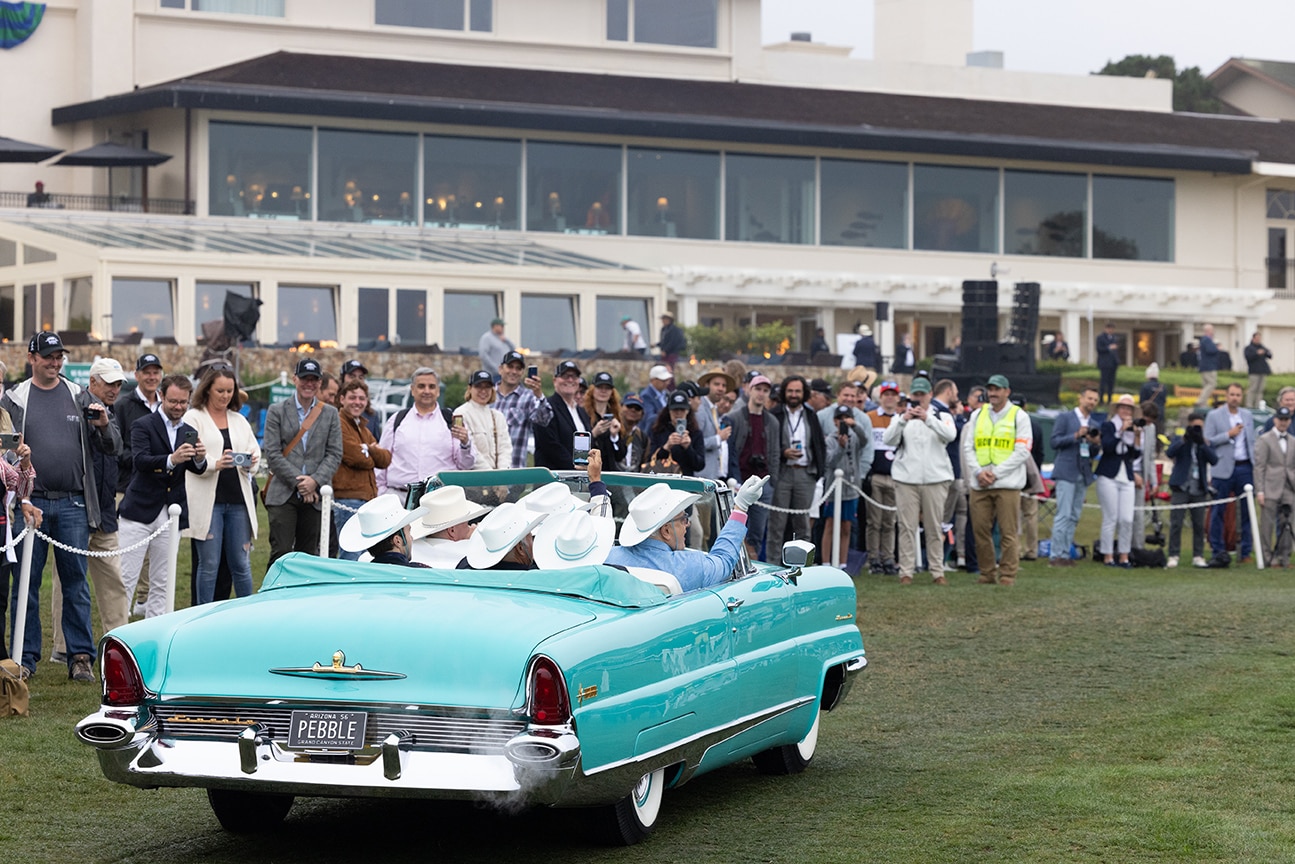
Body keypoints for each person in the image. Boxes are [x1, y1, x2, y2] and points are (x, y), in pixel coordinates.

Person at [3, 331, 117, 681]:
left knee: (75, 584)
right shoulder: (14, 398)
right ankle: (25, 656)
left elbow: (112, 447)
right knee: (26, 585)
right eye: (48, 357)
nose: (55, 363)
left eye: (59, 357)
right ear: (32, 358)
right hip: (28, 504)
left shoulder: (79, 395)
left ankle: (80, 656)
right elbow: (4, 452)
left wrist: (104, 426)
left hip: (72, 503)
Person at [49, 358, 127, 663]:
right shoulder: (72, 408)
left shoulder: (110, 413)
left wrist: (105, 424)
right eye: (109, 382)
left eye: (118, 383)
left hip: (106, 512)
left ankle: (122, 645)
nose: (114, 389)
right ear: (92, 382)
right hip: (75, 510)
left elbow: (116, 448)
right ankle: (62, 646)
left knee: (113, 582)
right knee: (66, 581)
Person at [118, 374, 207, 618]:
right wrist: (171, 459)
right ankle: (115, 634)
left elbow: (195, 468)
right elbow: (140, 461)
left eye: (183, 402)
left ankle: (154, 633)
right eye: (173, 401)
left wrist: (200, 458)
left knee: (163, 580)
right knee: (126, 578)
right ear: (162, 397)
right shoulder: (143, 425)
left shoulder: (189, 430)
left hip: (172, 512)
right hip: (138, 510)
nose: (178, 407)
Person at [605, 475, 768, 592]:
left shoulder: (608, 557)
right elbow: (724, 560)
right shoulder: (689, 565)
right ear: (666, 531)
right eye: (683, 519)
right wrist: (741, 506)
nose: (688, 523)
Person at [182, 367, 260, 602]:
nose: (225, 396)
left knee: (241, 563)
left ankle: (249, 612)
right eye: (220, 391)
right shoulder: (192, 417)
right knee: (209, 565)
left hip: (238, 501)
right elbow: (187, 455)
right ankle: (201, 614)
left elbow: (254, 450)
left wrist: (250, 463)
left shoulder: (240, 420)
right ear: (207, 390)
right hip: (208, 502)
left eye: (229, 391)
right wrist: (215, 463)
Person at [263, 358, 344, 569]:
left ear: (319, 382)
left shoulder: (330, 414)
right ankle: (272, 598)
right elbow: (272, 453)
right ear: (294, 379)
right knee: (280, 552)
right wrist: (301, 482)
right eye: (304, 378)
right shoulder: (277, 411)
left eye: (314, 379)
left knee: (309, 556)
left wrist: (314, 481)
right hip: (283, 492)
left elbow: (335, 453)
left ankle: (301, 600)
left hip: (316, 495)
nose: (309, 384)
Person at [961, 374, 1032, 586]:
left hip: (1007, 484)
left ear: (1007, 392)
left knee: (1008, 532)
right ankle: (987, 572)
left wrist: (996, 473)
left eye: (997, 389)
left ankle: (1008, 574)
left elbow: (1022, 451)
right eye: (990, 389)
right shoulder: (977, 414)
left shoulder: (1019, 416)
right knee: (980, 531)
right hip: (980, 483)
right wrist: (978, 472)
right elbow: (968, 447)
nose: (992, 393)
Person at [885, 377, 956, 584]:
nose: (918, 398)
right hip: (906, 478)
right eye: (915, 395)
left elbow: (950, 435)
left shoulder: (941, 415)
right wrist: (903, 420)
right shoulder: (900, 417)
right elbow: (889, 439)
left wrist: (928, 419)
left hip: (935, 478)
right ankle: (906, 571)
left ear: (930, 395)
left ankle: (937, 571)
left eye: (922, 394)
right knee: (906, 526)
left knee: (934, 526)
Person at [375, 366, 474, 498]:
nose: (427, 391)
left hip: (441, 498)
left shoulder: (450, 420)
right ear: (412, 390)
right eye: (421, 386)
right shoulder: (397, 420)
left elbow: (466, 465)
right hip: (400, 498)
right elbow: (382, 461)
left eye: (431, 387)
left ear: (438, 391)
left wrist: (465, 443)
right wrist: (382, 493)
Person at [329, 379, 391, 561]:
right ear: (342, 399)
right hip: (347, 499)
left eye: (362, 398)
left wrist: (368, 449)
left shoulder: (362, 427)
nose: (357, 402)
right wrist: (371, 450)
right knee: (351, 553)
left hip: (367, 499)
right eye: (352, 397)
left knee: (363, 554)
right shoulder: (338, 423)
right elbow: (354, 456)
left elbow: (386, 459)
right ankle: (346, 589)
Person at [767, 376, 826, 553]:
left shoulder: (811, 415)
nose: (793, 395)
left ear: (804, 393)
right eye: (790, 391)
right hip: (782, 472)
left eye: (797, 391)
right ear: (784, 392)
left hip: (805, 473)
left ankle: (802, 569)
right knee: (777, 524)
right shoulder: (775, 414)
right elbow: (769, 444)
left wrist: (818, 472)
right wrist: (784, 452)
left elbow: (819, 445)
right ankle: (772, 567)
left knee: (803, 525)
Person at [726, 374, 779, 560]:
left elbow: (774, 453)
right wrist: (734, 480)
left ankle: (752, 566)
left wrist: (773, 479)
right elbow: (731, 453)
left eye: (765, 390)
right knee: (735, 527)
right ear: (749, 390)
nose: (761, 394)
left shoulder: (772, 422)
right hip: (739, 481)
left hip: (763, 482)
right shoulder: (734, 418)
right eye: (758, 389)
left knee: (757, 531)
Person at [1205, 382, 1256, 564]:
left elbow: (1252, 441)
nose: (1235, 397)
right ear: (1226, 396)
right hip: (1223, 468)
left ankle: (1245, 552)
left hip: (1245, 467)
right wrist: (1228, 434)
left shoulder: (1247, 415)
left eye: (1238, 395)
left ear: (1241, 397)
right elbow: (1208, 441)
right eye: (1232, 394)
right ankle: (1218, 551)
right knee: (1218, 510)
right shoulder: (1214, 416)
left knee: (1246, 512)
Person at [1048, 387, 1099, 567]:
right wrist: (1076, 435)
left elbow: (1093, 452)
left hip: (1083, 472)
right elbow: (1055, 441)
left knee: (1075, 515)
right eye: (1089, 398)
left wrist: (1094, 443)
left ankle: (1065, 552)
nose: (1092, 402)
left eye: (1095, 400)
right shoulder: (1065, 418)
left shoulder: (1094, 423)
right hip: (1066, 470)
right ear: (1081, 398)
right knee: (1063, 513)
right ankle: (1056, 555)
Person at [1165, 410, 1217, 568]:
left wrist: (1201, 442)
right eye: (1194, 427)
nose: (1196, 430)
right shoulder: (1180, 440)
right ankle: (1173, 554)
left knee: (1198, 524)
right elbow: (1170, 452)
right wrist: (1184, 440)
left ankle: (1198, 555)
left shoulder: (1205, 442)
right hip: (1181, 486)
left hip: (1199, 488)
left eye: (1199, 427)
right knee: (1176, 523)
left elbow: (1214, 460)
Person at [1095, 394, 1141, 567]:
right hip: (1109, 474)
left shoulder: (1133, 428)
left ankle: (1124, 555)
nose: (1125, 411)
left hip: (1126, 475)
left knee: (1127, 518)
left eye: (1129, 409)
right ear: (1117, 409)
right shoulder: (1108, 426)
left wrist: (1136, 436)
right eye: (1123, 407)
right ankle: (1107, 555)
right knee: (1110, 517)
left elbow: (1135, 455)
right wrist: (1121, 430)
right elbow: (1107, 447)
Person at [865, 381, 903, 575]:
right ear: (881, 397)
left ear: (897, 398)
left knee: (890, 521)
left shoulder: (901, 419)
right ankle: (873, 558)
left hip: (896, 476)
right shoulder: (870, 417)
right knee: (874, 520)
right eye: (886, 394)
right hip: (877, 474)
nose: (889, 398)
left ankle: (888, 557)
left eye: (892, 395)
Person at [494, 350, 553, 468]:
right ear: (501, 369)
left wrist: (538, 393)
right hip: (486, 469)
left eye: (518, 368)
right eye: (510, 367)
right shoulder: (488, 395)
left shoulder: (528, 397)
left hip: (514, 471)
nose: (514, 372)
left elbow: (544, 419)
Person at [116, 352, 164, 493]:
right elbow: (116, 447)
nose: (152, 377)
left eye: (155, 373)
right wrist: (143, 461)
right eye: (147, 373)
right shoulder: (123, 406)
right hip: (129, 486)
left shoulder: (167, 407)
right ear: (137, 375)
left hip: (160, 487)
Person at [407, 486, 491, 568]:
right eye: (467, 524)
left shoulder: (410, 550)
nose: (471, 526)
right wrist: (476, 536)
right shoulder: (472, 552)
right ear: (452, 531)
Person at [1253, 406, 1295, 567]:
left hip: (1289, 487)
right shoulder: (1264, 439)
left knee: (1288, 523)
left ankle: (1284, 557)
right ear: (1275, 420)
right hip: (1270, 486)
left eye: (1286, 420)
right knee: (1267, 524)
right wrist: (1260, 490)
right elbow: (1260, 467)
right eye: (1281, 419)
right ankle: (1266, 557)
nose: (1283, 422)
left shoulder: (1293, 441)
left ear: (1289, 421)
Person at [337, 495, 430, 567]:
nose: (412, 538)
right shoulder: (422, 573)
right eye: (408, 532)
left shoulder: (361, 576)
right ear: (398, 540)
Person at [533, 360, 592, 471]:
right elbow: (549, 444)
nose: (570, 380)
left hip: (580, 477)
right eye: (565, 376)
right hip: (554, 478)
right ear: (555, 381)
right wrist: (573, 466)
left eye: (574, 377)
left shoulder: (581, 412)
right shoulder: (546, 407)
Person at [454, 370, 512, 471]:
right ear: (470, 388)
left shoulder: (498, 416)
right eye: (478, 386)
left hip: (499, 479)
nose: (483, 391)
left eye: (487, 387)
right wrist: (491, 477)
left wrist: (502, 475)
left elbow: (505, 448)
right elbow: (471, 451)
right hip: (474, 480)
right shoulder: (460, 414)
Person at [646, 390, 705, 475]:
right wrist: (666, 447)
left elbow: (700, 465)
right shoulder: (657, 430)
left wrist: (688, 448)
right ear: (669, 410)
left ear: (687, 411)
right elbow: (649, 459)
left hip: (685, 481)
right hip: (662, 479)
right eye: (675, 410)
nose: (678, 413)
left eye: (682, 410)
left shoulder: (695, 433)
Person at [696, 368, 737, 482]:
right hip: (701, 476)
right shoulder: (700, 409)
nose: (721, 388)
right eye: (716, 384)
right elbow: (695, 444)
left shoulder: (712, 409)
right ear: (706, 385)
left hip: (713, 476)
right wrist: (718, 439)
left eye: (724, 385)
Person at [583, 371, 627, 470]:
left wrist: (614, 436)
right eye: (599, 387)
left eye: (607, 388)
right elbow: (579, 450)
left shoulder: (616, 416)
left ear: (612, 392)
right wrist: (594, 434)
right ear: (593, 389)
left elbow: (620, 455)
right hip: (589, 470)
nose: (603, 391)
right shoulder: (583, 414)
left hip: (609, 471)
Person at [638, 364, 673, 433]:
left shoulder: (667, 394)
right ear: (653, 380)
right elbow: (650, 417)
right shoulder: (646, 396)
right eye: (663, 380)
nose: (667, 383)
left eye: (667, 380)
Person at [1244, 331, 1272, 409]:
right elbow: (1248, 357)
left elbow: (1269, 355)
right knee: (1252, 389)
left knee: (1260, 389)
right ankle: (1249, 405)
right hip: (1254, 371)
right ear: (1253, 338)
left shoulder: (1262, 347)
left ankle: (1258, 405)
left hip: (1262, 371)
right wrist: (1257, 353)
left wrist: (1266, 352)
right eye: (1257, 338)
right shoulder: (1249, 348)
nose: (1258, 340)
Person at [622, 393, 649, 472]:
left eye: (637, 408)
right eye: (629, 406)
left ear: (642, 413)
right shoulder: (611, 431)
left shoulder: (643, 437)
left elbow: (644, 462)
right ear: (620, 407)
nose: (633, 410)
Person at [1196, 323, 1220, 408]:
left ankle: (1203, 403)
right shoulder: (1207, 340)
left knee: (1206, 385)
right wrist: (1217, 348)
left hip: (1204, 366)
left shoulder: (1203, 340)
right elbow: (1211, 350)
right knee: (1211, 384)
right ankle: (1201, 401)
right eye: (1212, 330)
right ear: (1209, 331)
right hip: (1209, 366)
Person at [1096, 321, 1120, 404]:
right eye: (1109, 328)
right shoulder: (1100, 338)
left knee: (1111, 382)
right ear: (1106, 329)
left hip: (1113, 363)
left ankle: (1109, 399)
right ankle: (1101, 399)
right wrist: (1109, 348)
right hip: (1104, 363)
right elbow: (1099, 349)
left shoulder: (1114, 338)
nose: (1110, 330)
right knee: (1103, 382)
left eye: (1112, 329)